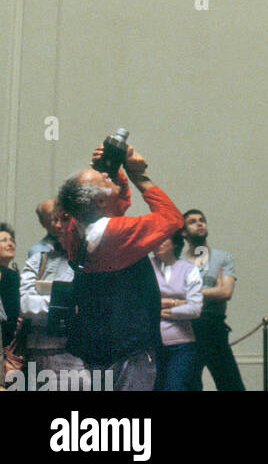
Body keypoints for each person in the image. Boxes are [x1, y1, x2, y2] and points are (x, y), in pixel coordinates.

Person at [57, 143, 183, 391]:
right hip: (130, 347)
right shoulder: (115, 233)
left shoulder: (75, 227)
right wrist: (139, 175)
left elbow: (116, 203)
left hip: (97, 344)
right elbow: (171, 218)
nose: (106, 176)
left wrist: (111, 167)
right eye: (102, 178)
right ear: (100, 200)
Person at [19, 200, 87, 384]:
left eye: (64, 219)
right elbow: (24, 305)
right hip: (36, 358)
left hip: (75, 360)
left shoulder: (93, 263)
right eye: (55, 220)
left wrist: (42, 300)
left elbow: (91, 307)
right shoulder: (39, 260)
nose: (57, 225)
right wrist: (64, 303)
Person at [181, 209, 244, 391]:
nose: (199, 223)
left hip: (214, 328)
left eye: (202, 220)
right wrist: (212, 290)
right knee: (190, 385)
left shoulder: (223, 258)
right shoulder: (179, 263)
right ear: (184, 232)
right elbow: (176, 297)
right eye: (193, 221)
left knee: (231, 385)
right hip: (188, 329)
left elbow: (226, 292)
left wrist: (192, 292)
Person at [151, 230, 203, 391]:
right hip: (151, 343)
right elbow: (138, 303)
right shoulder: (146, 268)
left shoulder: (189, 270)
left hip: (181, 343)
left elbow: (194, 309)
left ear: (174, 243)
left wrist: (158, 310)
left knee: (175, 387)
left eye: (163, 240)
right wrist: (175, 302)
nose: (158, 244)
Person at [0, 222, 19, 355]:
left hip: (10, 344)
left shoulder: (13, 275)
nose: (10, 244)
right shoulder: (11, 276)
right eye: (4, 240)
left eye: (12, 240)